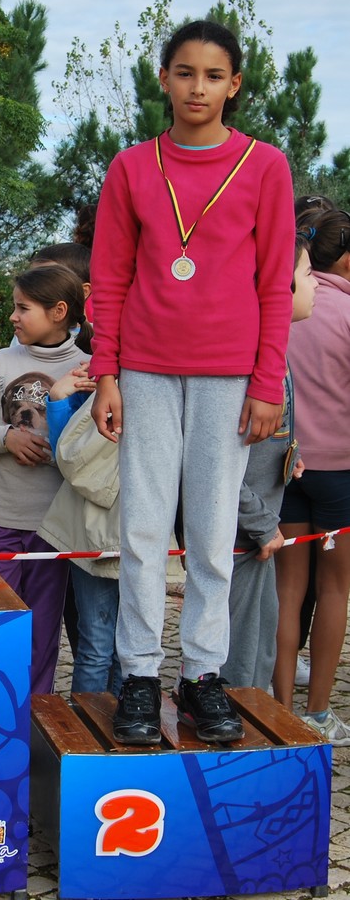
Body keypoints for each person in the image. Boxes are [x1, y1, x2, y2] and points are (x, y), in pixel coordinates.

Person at [90, 20, 295, 744]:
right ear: (164, 80)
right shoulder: (131, 167)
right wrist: (103, 371)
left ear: (233, 85)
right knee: (142, 527)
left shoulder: (264, 166)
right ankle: (139, 676)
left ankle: (202, 674)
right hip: (143, 367)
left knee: (212, 534)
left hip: (228, 374)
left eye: (212, 75)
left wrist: (267, 383)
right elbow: (108, 277)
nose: (197, 87)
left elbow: (275, 283)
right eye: (183, 73)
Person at [0, 265, 92, 693]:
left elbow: (89, 455)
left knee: (41, 632)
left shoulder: (88, 370)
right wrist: (6, 437)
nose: (13, 316)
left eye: (23, 308)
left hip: (53, 528)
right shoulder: (3, 360)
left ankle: (36, 715)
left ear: (59, 311)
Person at [223, 232, 317, 691]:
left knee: (258, 644)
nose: (315, 284)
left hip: (256, 535)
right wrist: (261, 522)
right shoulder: (250, 360)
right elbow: (213, 465)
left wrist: (288, 457)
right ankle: (233, 748)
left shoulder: (273, 353)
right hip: (243, 537)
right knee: (238, 657)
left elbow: (259, 440)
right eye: (306, 274)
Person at [273, 208, 350, 742]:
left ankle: (278, 707)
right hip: (340, 472)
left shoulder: (283, 305)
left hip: (282, 465)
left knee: (287, 590)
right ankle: (319, 711)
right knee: (337, 589)